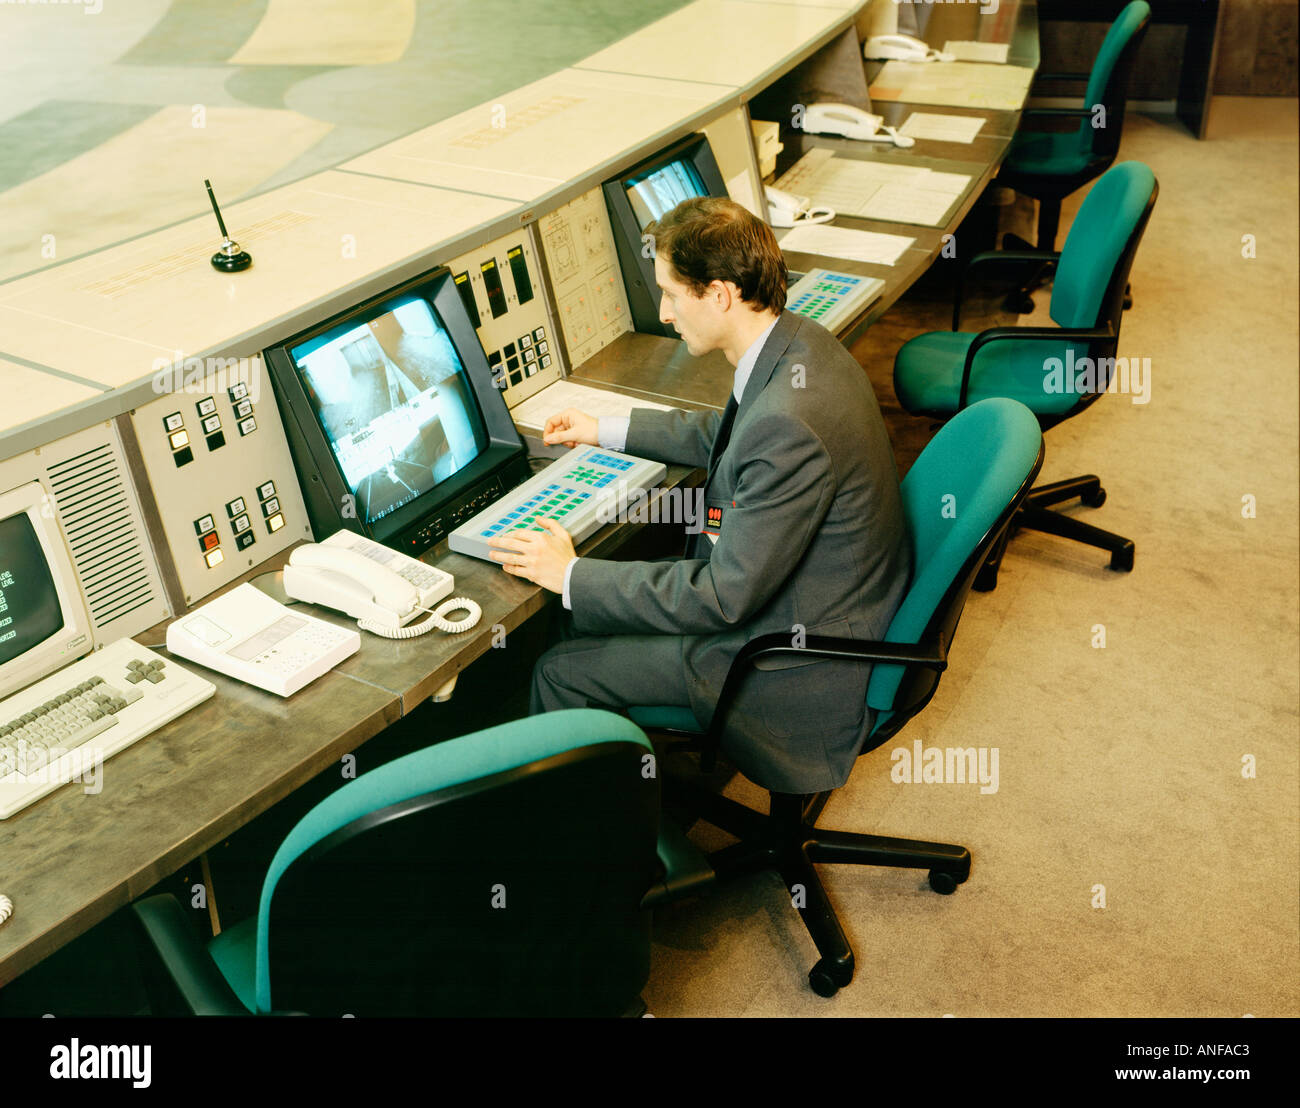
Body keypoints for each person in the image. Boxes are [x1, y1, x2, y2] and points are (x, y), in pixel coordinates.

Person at [488, 196, 910, 794]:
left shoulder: (788, 422)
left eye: (671, 293)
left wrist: (572, 575)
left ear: (718, 294)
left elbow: (722, 598)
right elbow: (730, 436)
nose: (663, 313)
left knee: (560, 667)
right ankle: (618, 775)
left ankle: (582, 860)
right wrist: (605, 428)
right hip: (824, 603)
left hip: (788, 666)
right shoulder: (798, 346)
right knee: (583, 614)